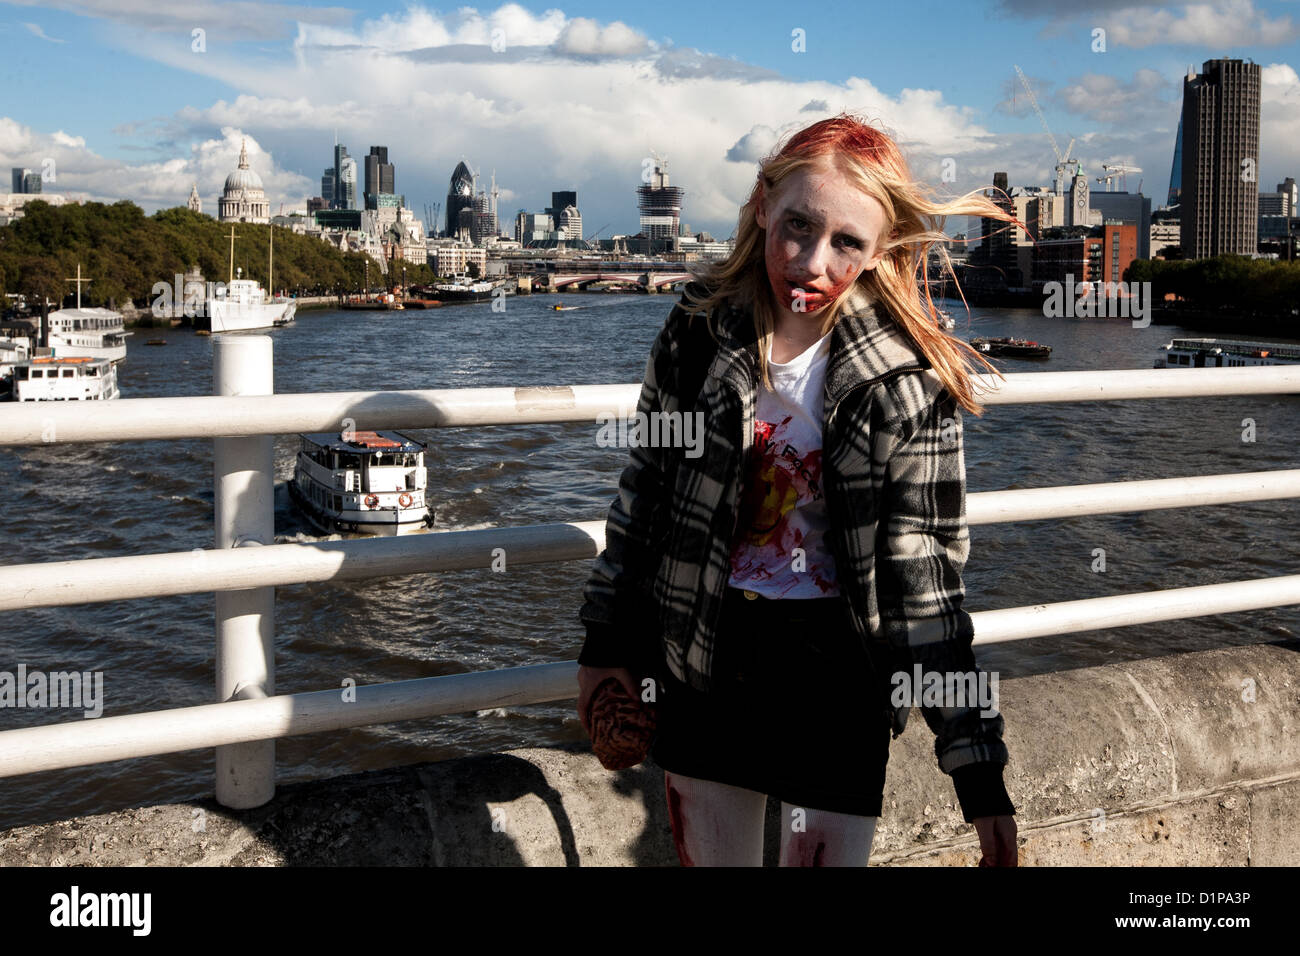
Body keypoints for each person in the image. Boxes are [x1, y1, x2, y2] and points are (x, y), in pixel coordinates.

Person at [577, 113, 1022, 867]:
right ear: (762, 207)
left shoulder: (907, 378)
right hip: (704, 666)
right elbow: (644, 495)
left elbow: (926, 583)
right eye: (798, 227)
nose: (813, 262)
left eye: (847, 242)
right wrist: (605, 642)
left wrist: (978, 773)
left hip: (836, 687)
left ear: (881, 252)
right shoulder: (697, 332)